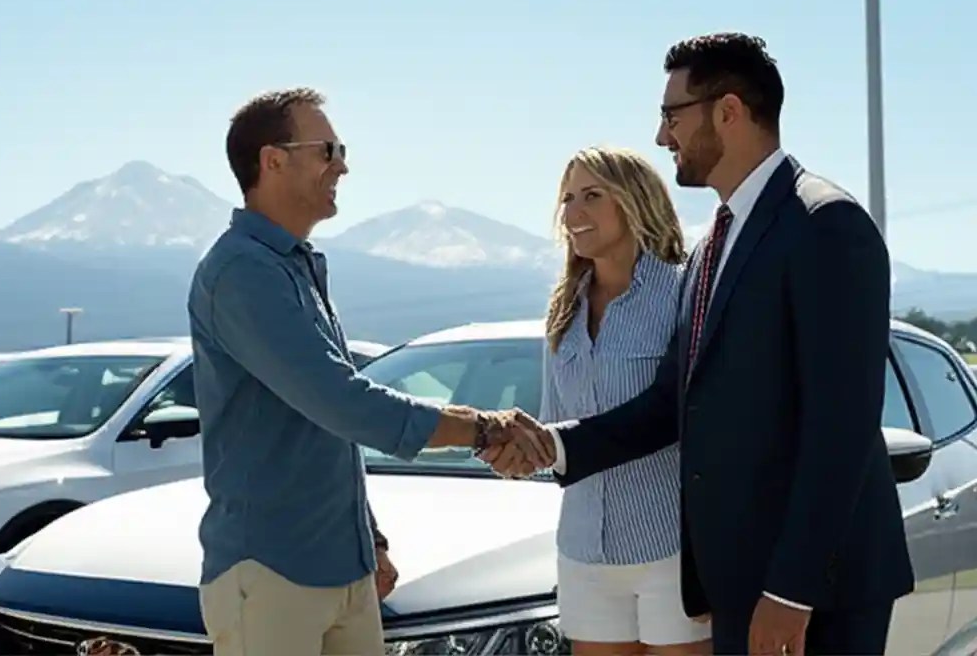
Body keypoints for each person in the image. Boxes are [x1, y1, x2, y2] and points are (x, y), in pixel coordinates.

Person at [484, 33, 913, 655]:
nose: (663, 137)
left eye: (672, 115)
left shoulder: (825, 224)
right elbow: (671, 403)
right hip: (737, 586)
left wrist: (792, 593)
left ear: (729, 111)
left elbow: (840, 427)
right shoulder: (713, 243)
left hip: (817, 594)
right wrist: (554, 445)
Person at [188, 86, 555, 656]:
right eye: (328, 150)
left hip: (344, 568)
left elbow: (328, 429)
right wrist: (481, 428)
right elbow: (343, 401)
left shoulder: (294, 266)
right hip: (270, 572)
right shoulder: (240, 272)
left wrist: (369, 538)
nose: (343, 166)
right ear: (273, 161)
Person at [540, 145, 709, 656]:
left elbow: (690, 420)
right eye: (567, 198)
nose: (573, 212)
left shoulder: (684, 294)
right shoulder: (562, 310)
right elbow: (554, 428)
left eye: (592, 195)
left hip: (670, 550)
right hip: (583, 552)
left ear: (635, 200)